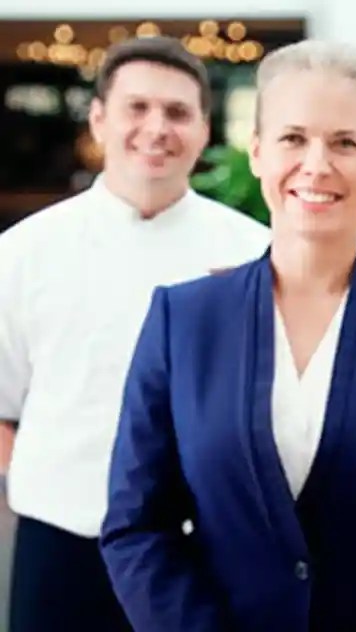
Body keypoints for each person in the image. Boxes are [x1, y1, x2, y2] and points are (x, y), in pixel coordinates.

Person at [99, 40, 356, 630]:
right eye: (294, 139)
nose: (316, 164)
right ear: (258, 152)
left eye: (345, 142)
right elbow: (138, 525)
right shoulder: (183, 321)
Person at [0, 36, 269, 631]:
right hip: (64, 538)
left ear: (204, 130)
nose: (157, 128)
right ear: (99, 119)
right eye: (137, 108)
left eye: (177, 112)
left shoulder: (254, 255)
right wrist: (50, 472)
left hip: (202, 545)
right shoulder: (23, 253)